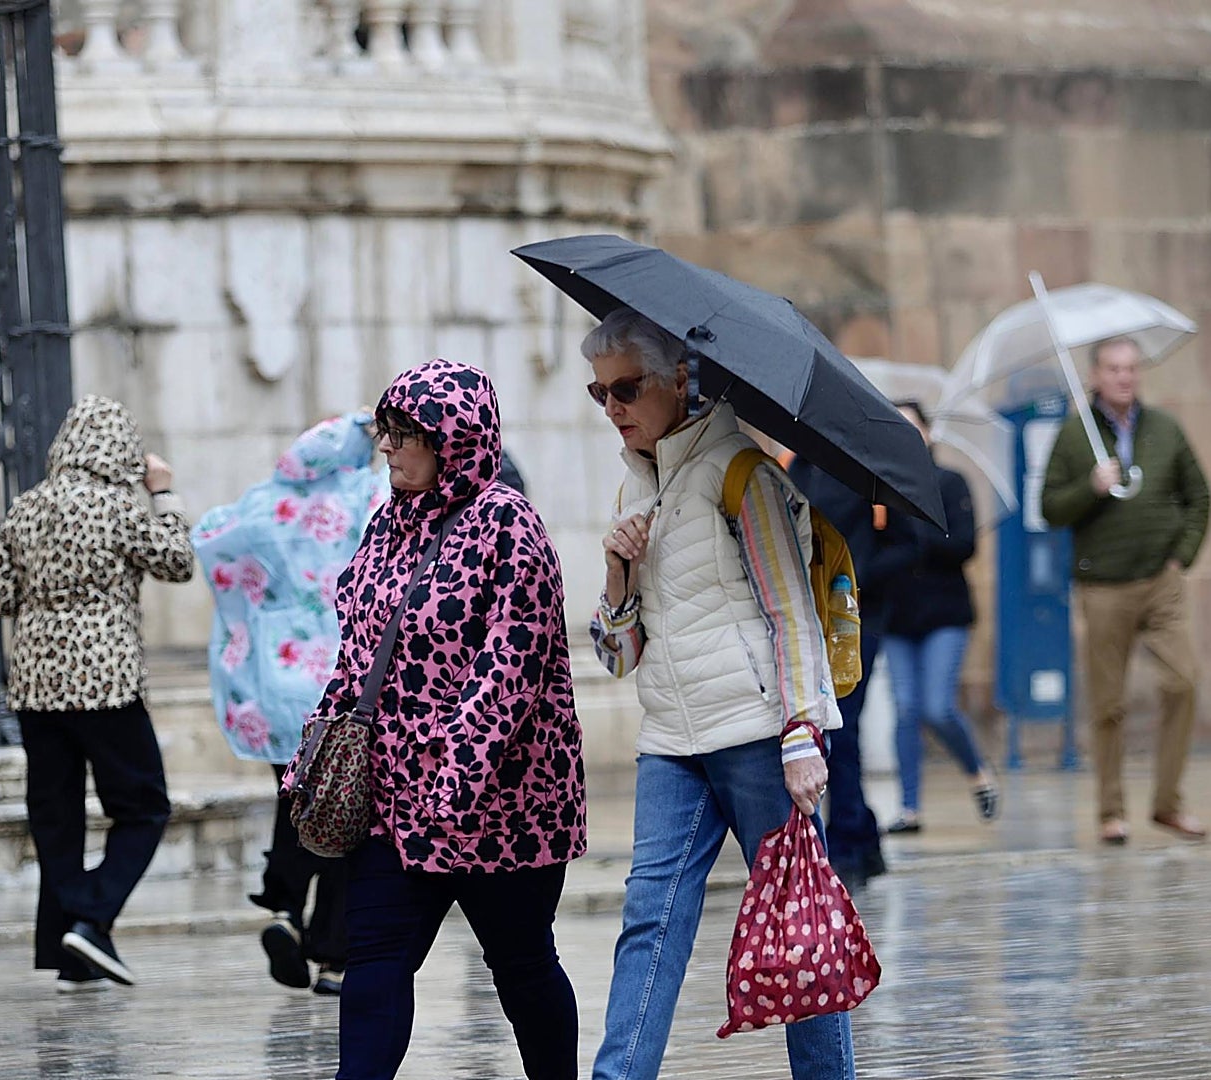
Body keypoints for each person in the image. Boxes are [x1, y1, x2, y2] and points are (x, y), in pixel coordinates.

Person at [289, 359, 586, 1080]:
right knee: (375, 960)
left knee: (522, 964)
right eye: (384, 432)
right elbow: (359, 653)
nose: (388, 448)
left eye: (404, 434)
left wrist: (449, 779)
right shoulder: (387, 523)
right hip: (394, 801)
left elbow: (509, 670)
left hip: (501, 804)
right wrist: (318, 747)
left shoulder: (507, 524)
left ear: (452, 438)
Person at [585, 308, 856, 1080]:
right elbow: (618, 657)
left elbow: (790, 611)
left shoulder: (743, 472)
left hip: (757, 736)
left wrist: (802, 732)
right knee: (649, 923)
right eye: (599, 393)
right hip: (671, 740)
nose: (613, 408)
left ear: (678, 380)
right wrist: (617, 575)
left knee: (798, 931)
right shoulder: (634, 489)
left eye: (626, 389)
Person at [0, 395, 195, 992]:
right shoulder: (117, 507)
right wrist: (164, 494)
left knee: (56, 817)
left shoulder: (25, 506)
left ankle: (69, 951)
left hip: (35, 682)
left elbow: (1, 597)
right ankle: (92, 916)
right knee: (144, 806)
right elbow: (178, 562)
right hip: (105, 679)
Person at [193, 412, 386, 995]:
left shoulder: (264, 503)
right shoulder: (365, 495)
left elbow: (210, 538)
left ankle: (283, 907)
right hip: (340, 685)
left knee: (296, 799)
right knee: (346, 815)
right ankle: (332, 956)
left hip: (276, 687)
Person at [1042, 337, 1211, 845]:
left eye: (1131, 368)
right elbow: (1050, 507)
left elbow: (1199, 496)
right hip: (1103, 587)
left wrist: (1182, 555)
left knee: (1184, 681)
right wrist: (1089, 488)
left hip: (1161, 581)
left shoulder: (1164, 429)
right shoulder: (1075, 436)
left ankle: (1168, 804)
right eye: (1114, 368)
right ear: (1095, 375)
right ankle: (1111, 812)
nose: (1124, 377)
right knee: (1108, 703)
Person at [786, 447, 914, 888]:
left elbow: (907, 545)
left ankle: (845, 844)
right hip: (808, 616)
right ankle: (860, 835)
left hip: (858, 618)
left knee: (842, 728)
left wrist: (856, 573)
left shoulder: (868, 471)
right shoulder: (797, 468)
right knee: (826, 730)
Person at [879, 402, 998, 833]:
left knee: (936, 706)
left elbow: (964, 544)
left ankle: (976, 770)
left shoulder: (949, 483)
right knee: (905, 709)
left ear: (928, 433)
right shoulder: (881, 489)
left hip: (944, 612)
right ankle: (909, 807)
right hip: (897, 614)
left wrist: (920, 532)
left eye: (914, 427)